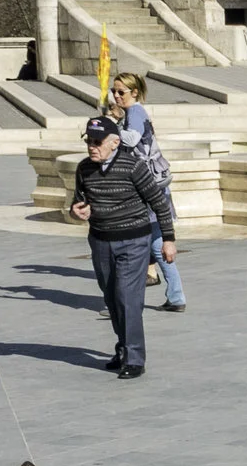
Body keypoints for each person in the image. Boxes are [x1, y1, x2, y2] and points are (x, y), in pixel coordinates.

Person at [70, 117, 175, 378]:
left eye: (98, 142)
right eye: (89, 141)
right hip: (100, 241)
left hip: (134, 242)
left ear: (115, 142)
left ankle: (134, 358)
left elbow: (159, 203)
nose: (92, 147)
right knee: (112, 298)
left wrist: (169, 240)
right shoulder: (84, 169)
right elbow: (78, 203)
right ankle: (123, 348)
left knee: (128, 298)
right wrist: (76, 212)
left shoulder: (133, 166)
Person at [107, 76, 187, 312]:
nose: (116, 96)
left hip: (147, 186)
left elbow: (131, 140)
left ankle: (124, 302)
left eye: (121, 92)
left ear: (134, 92)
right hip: (151, 184)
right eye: (114, 91)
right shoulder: (132, 113)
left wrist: (110, 128)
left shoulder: (136, 112)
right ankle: (175, 296)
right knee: (156, 245)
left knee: (137, 244)